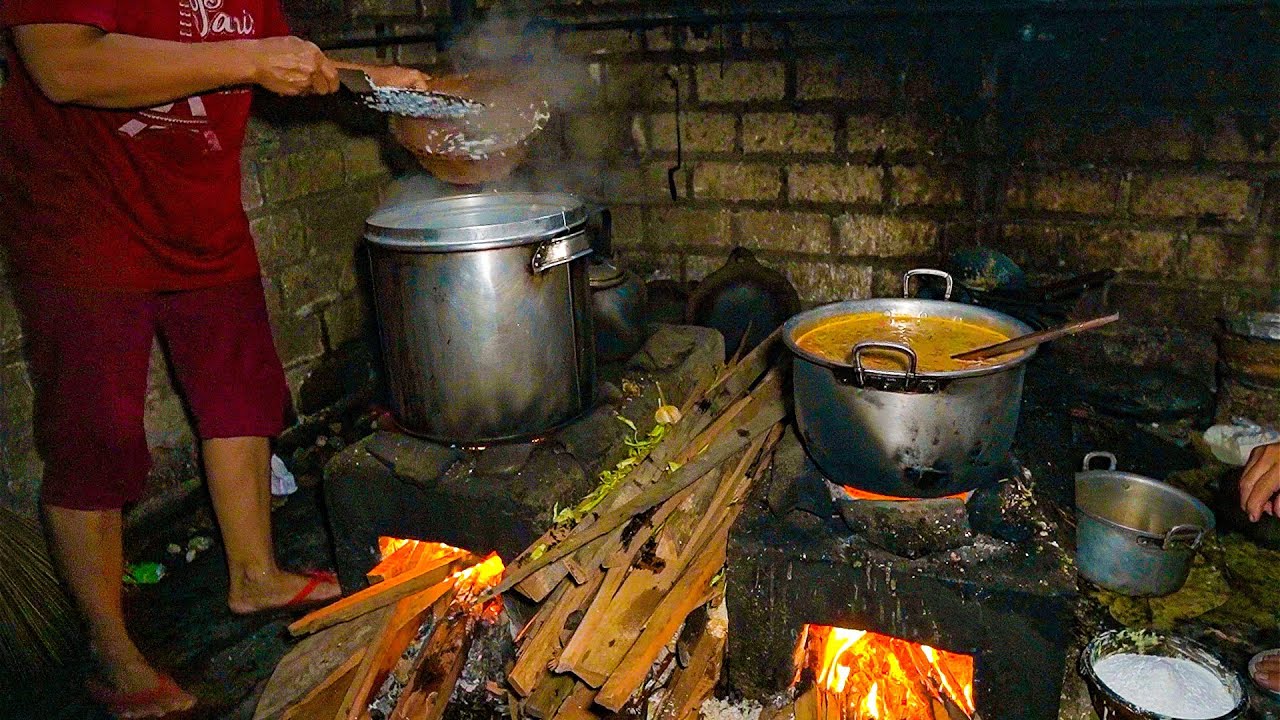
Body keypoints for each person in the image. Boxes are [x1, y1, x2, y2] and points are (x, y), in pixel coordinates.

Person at [0, 0, 429, 716]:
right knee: (95, 437)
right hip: (80, 217)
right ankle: (112, 652)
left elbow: (275, 57)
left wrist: (370, 74)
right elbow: (63, 65)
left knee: (242, 393)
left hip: (199, 213)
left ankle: (254, 576)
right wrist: (252, 58)